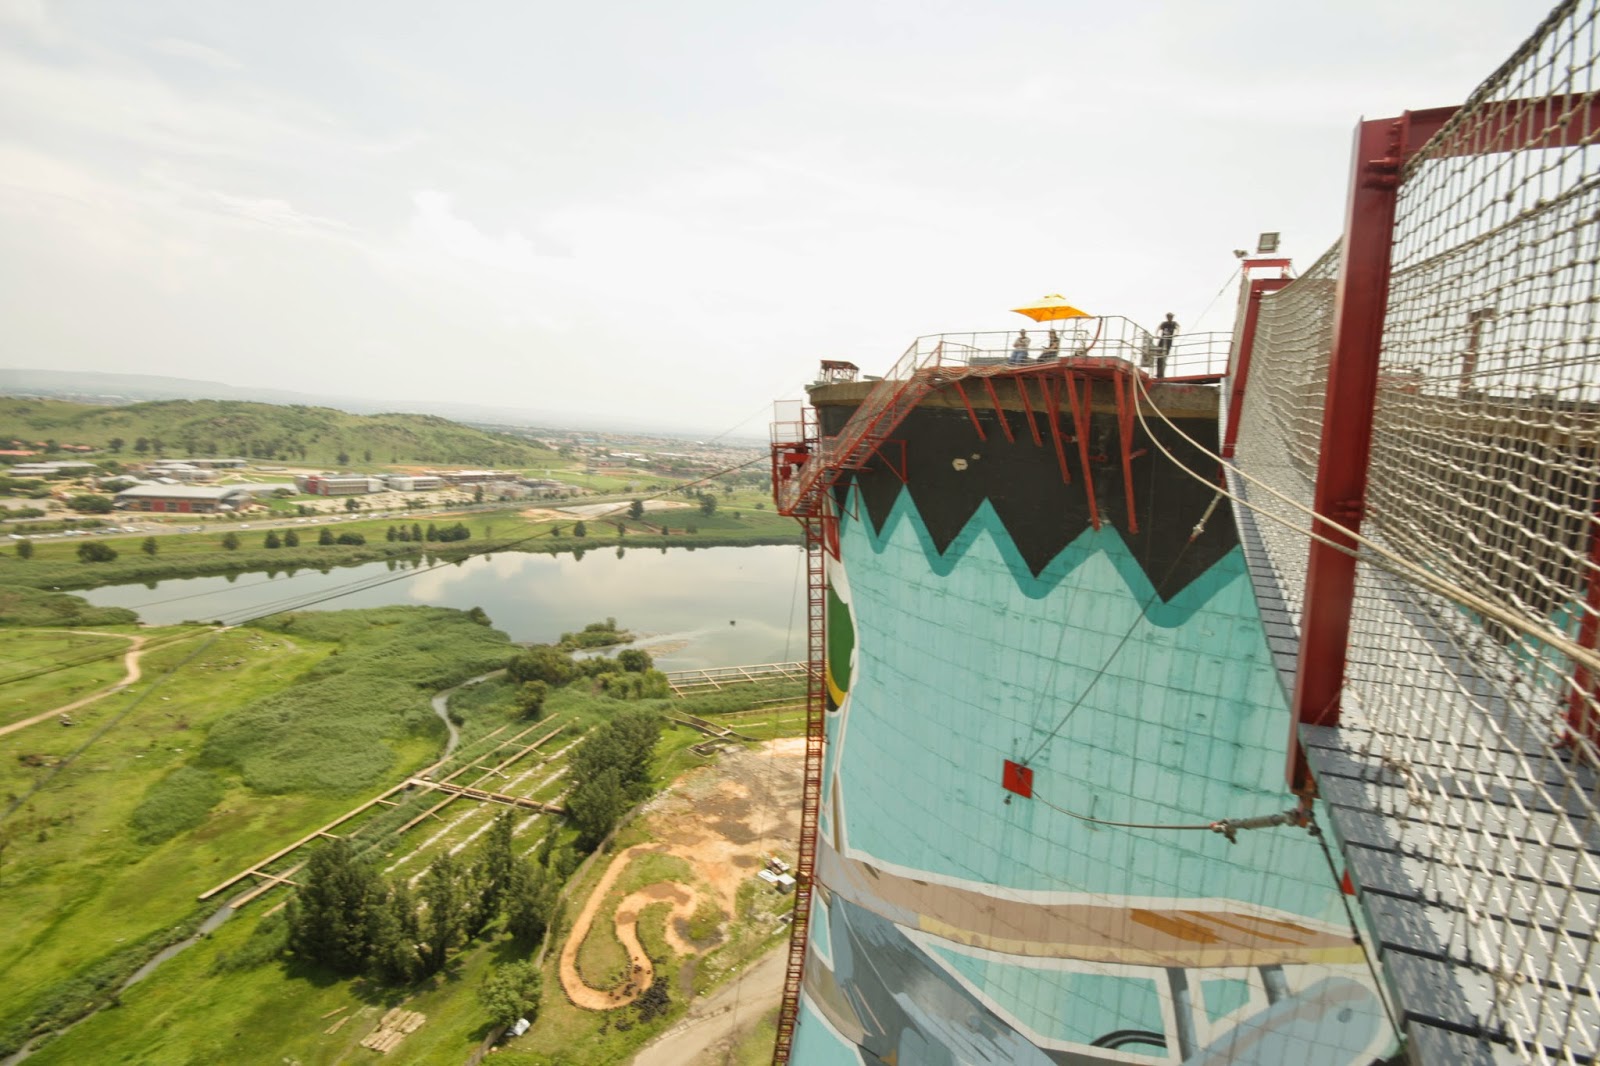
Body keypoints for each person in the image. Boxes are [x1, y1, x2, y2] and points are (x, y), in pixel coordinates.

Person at [1155, 313, 1178, 377]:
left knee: (1164, 357)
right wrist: (1156, 334)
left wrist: (1176, 333)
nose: (1169, 318)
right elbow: (1158, 328)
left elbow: (1178, 328)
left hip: (1168, 341)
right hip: (1162, 341)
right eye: (1168, 317)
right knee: (1158, 357)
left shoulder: (1174, 323)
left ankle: (1161, 373)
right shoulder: (1164, 323)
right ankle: (1158, 373)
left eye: (1171, 317)